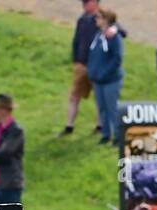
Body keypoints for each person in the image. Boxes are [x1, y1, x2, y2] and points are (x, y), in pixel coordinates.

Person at [63, 0, 101, 136]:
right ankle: (69, 126)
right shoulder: (82, 19)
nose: (84, 4)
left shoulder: (102, 18)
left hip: (97, 65)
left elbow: (119, 30)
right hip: (82, 64)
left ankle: (100, 126)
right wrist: (76, 59)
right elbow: (76, 40)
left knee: (99, 96)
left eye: (87, 2)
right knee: (74, 96)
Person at [87, 8, 125, 146]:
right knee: (102, 108)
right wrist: (92, 72)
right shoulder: (99, 35)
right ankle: (106, 134)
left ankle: (118, 136)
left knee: (112, 108)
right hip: (98, 80)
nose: (95, 19)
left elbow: (117, 59)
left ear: (106, 20)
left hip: (110, 80)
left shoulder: (114, 37)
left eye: (98, 17)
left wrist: (104, 73)